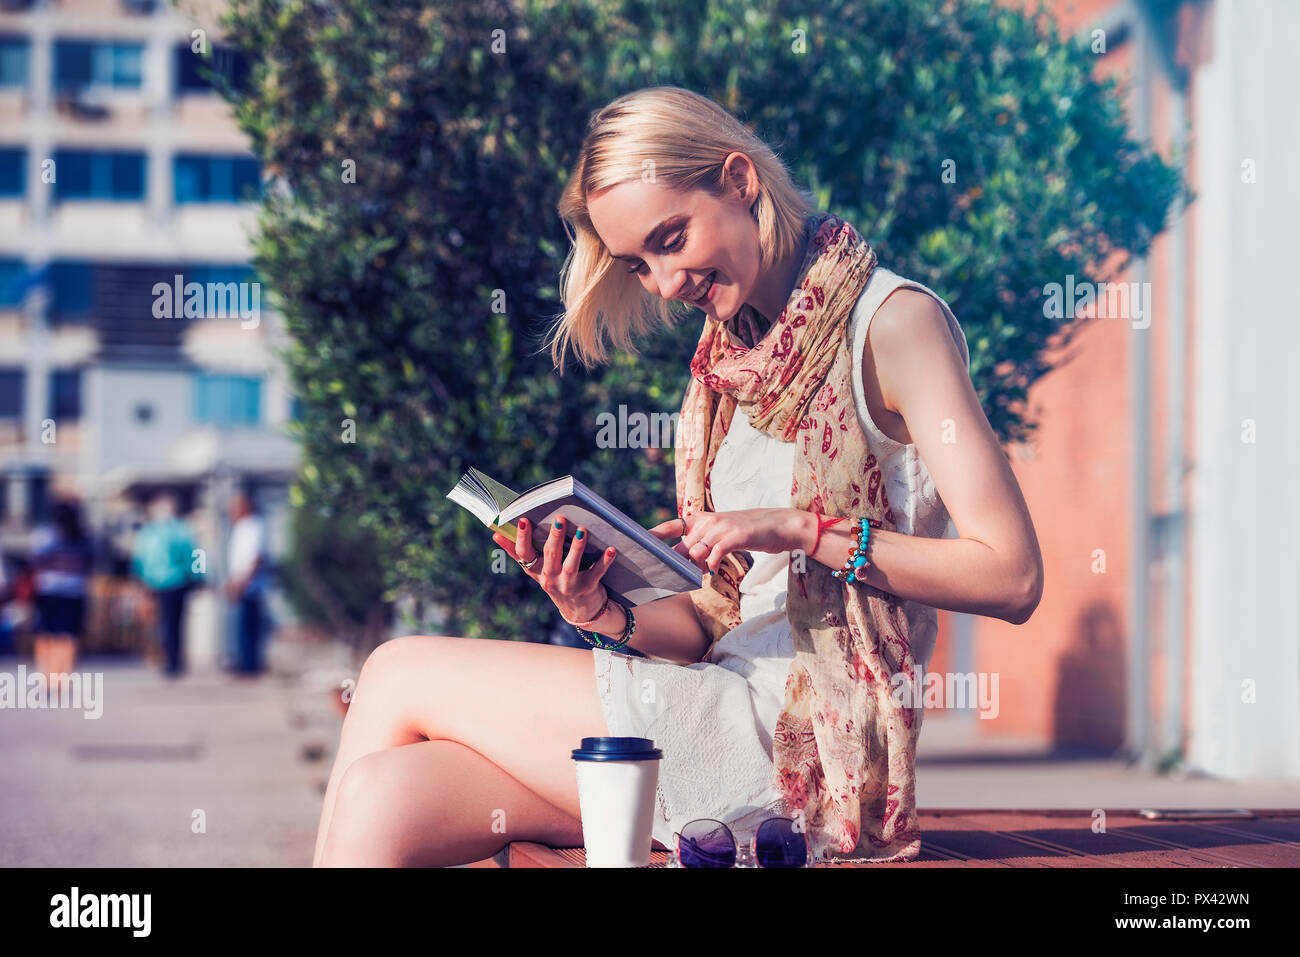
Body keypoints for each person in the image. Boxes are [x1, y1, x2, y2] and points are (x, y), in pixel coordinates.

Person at [312, 86, 1044, 867]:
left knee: (395, 671)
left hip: (804, 751)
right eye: (639, 262)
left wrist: (806, 530)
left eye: (670, 238)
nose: (662, 283)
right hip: (714, 716)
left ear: (739, 181)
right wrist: (602, 608)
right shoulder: (730, 367)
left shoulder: (895, 324)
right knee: (382, 797)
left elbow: (1012, 575)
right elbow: (712, 627)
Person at [30, 499, 94, 695]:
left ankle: (47, 676)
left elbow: (35, 562)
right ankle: (62, 677)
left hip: (48, 591)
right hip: (73, 593)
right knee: (67, 636)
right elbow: (89, 564)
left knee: (46, 634)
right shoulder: (84, 538)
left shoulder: (44, 535)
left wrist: (54, 563)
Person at [131, 492, 197, 677]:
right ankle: (173, 660)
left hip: (161, 583)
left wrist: (138, 579)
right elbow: (196, 553)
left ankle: (170, 661)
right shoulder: (181, 529)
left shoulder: (150, 532)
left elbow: (138, 559)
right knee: (174, 623)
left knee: (166, 623)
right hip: (173, 582)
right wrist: (198, 577)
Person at [225, 492, 270, 676]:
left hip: (249, 586)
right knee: (242, 626)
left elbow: (255, 558)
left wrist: (242, 583)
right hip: (241, 582)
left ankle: (250, 665)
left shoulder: (254, 526)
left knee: (249, 626)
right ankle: (244, 661)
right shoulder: (241, 527)